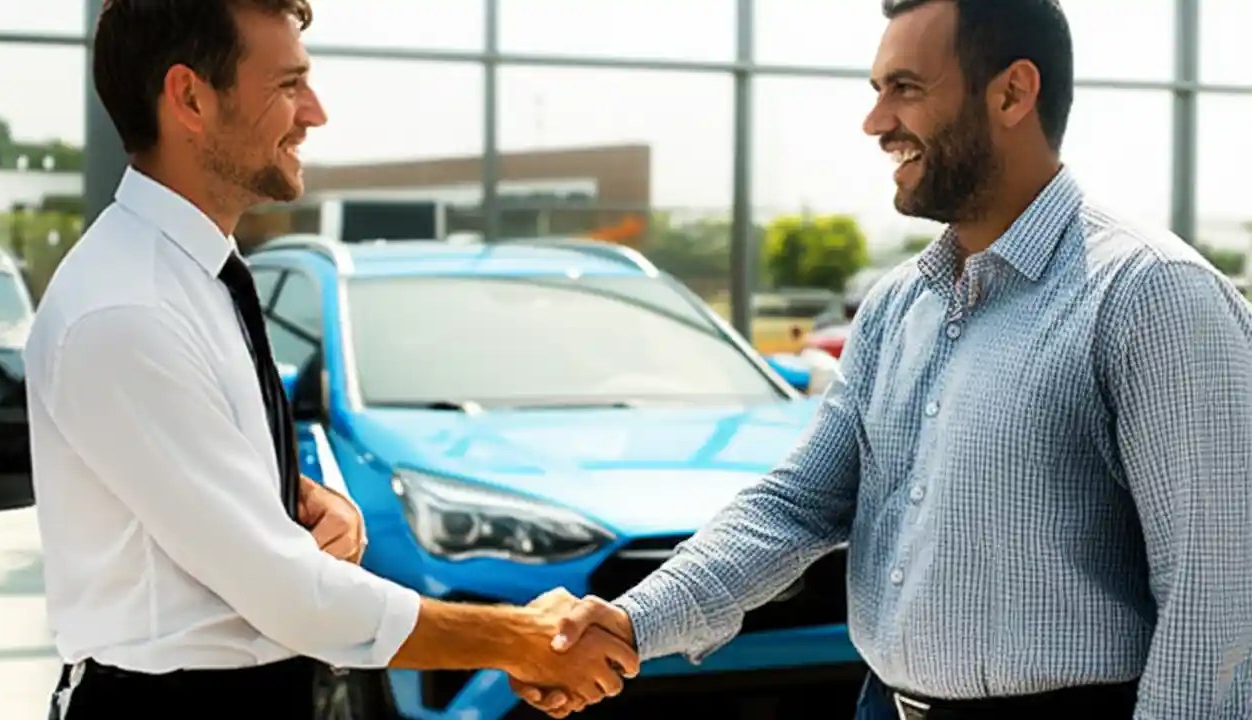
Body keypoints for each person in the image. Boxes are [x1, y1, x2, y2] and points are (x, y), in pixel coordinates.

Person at [510, 0, 1252, 718]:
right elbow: (796, 506)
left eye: (906, 89)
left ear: (1013, 92)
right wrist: (633, 623)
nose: (876, 123)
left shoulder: (1153, 297)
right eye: (877, 91)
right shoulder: (901, 304)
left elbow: (1216, 600)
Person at [26, 1, 636, 717]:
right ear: (190, 98)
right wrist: (522, 638)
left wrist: (304, 504)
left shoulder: (192, 277)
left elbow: (206, 508)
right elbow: (290, 596)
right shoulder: (125, 311)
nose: (314, 113)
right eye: (287, 86)